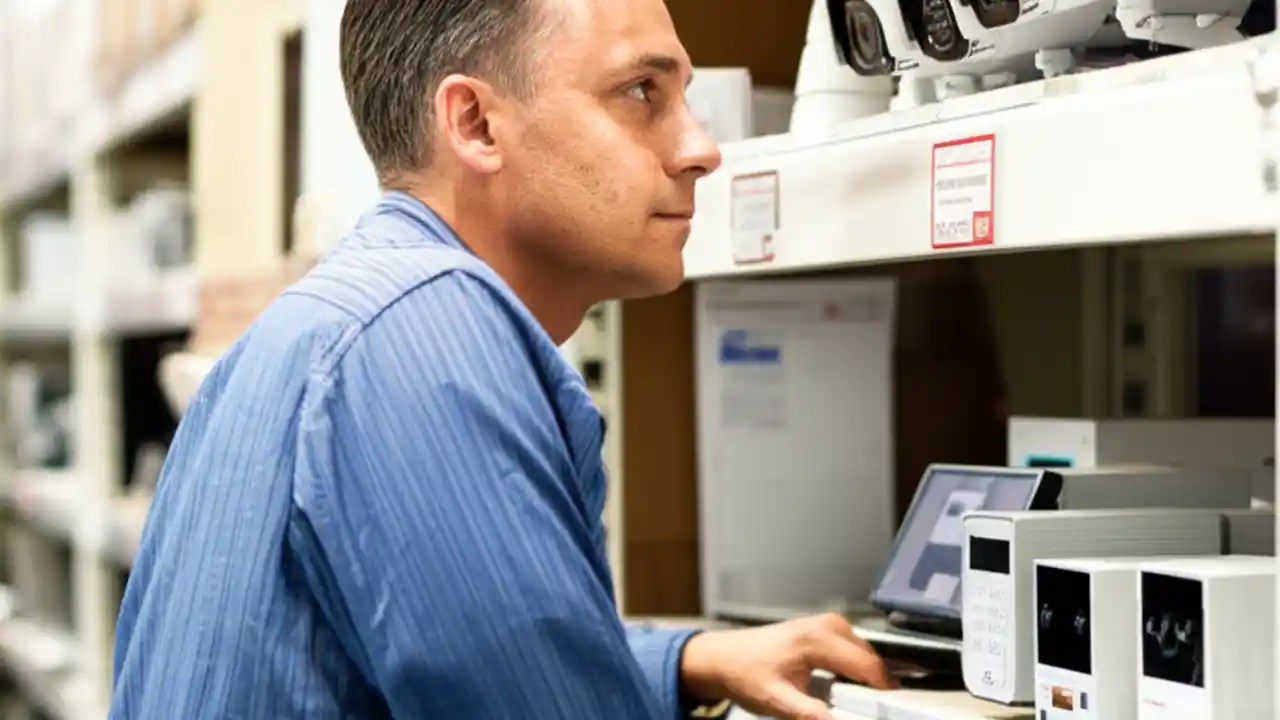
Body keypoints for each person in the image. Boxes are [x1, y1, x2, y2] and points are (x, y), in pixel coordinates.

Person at [110, 1, 895, 718]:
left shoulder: (342, 320)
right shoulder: (426, 346)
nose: (700, 149)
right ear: (476, 124)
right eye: (641, 95)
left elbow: (469, 646)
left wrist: (685, 658)